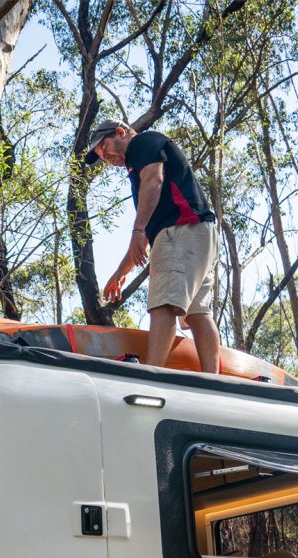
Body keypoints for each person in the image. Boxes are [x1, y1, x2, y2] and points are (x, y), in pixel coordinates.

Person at [86, 120, 220, 371]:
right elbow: (146, 236)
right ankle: (213, 380)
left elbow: (153, 181)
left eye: (105, 148)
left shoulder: (142, 144)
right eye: (101, 156)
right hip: (200, 234)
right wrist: (119, 273)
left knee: (164, 304)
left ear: (121, 133)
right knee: (198, 313)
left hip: (181, 230)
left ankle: (154, 373)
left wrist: (137, 230)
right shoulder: (140, 162)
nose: (107, 157)